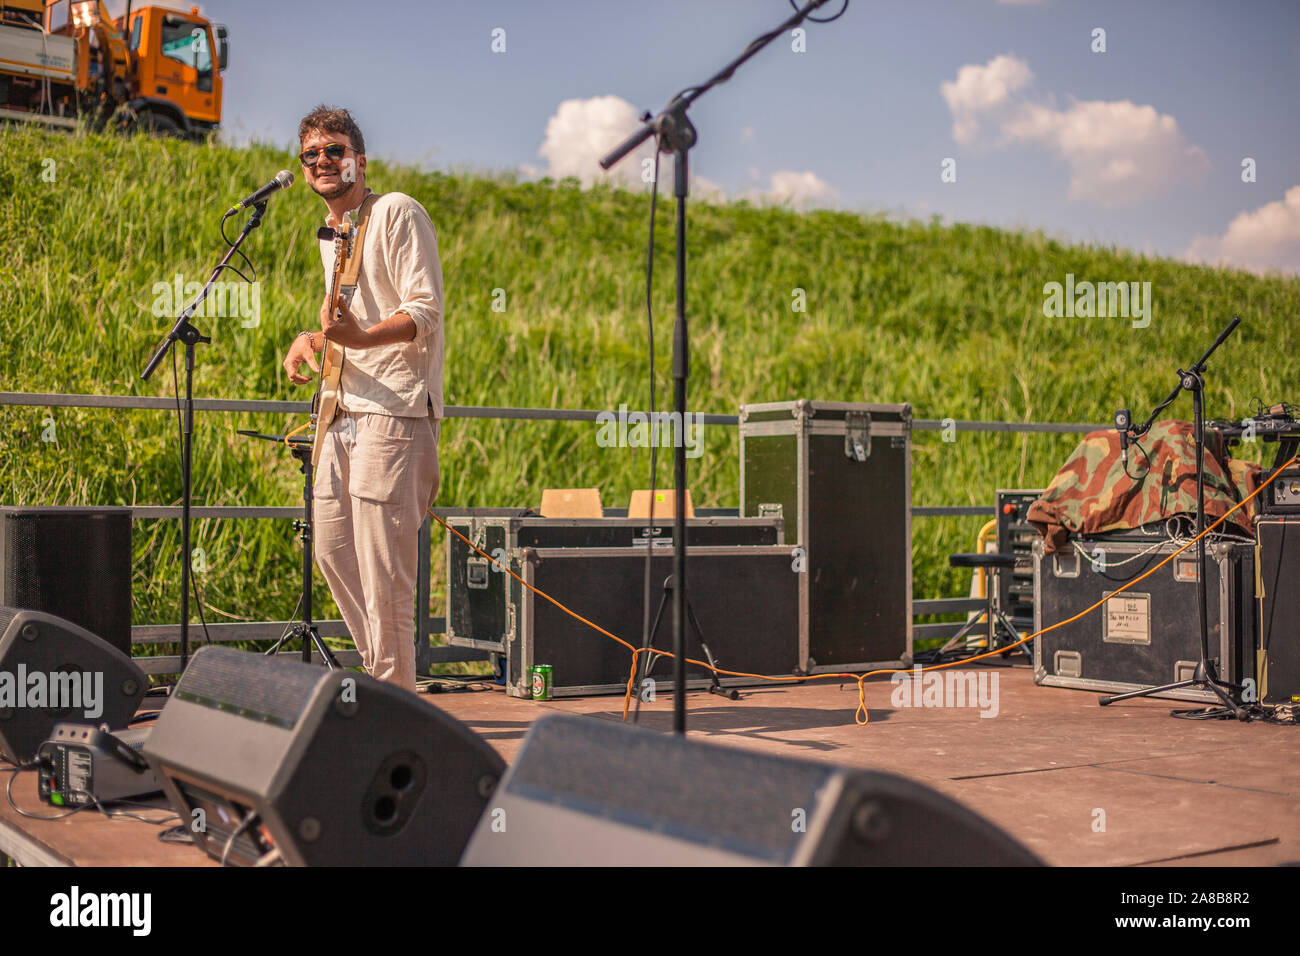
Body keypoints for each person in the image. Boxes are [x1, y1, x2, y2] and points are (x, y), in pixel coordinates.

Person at [281, 105, 444, 692]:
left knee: (385, 575)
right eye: (311, 155)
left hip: (394, 412)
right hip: (342, 412)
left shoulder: (397, 212)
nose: (322, 161)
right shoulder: (331, 236)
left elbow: (422, 311)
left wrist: (359, 339)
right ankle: (385, 683)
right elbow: (348, 321)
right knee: (332, 550)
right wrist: (312, 339)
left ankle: (393, 698)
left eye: (334, 150)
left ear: (359, 160)